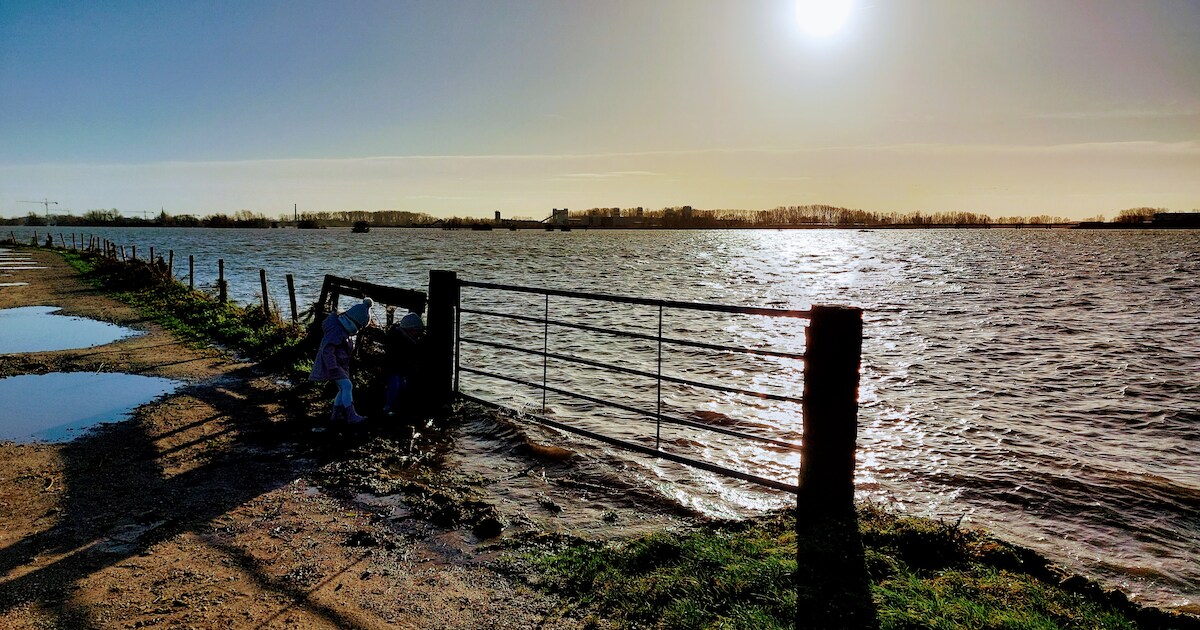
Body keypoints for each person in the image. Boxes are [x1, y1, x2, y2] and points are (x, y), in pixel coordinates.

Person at [310, 297, 374, 424]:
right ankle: (351, 415)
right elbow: (327, 350)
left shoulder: (342, 329)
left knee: (343, 387)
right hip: (332, 365)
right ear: (354, 322)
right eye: (359, 326)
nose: (358, 330)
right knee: (346, 385)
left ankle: (336, 414)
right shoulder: (337, 331)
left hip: (338, 365)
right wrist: (332, 366)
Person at [382, 311, 426, 417]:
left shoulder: (408, 340)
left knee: (402, 385)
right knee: (395, 384)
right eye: (416, 331)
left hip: (401, 371)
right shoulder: (397, 341)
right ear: (409, 330)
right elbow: (394, 360)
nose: (418, 334)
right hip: (393, 371)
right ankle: (388, 406)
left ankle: (397, 406)